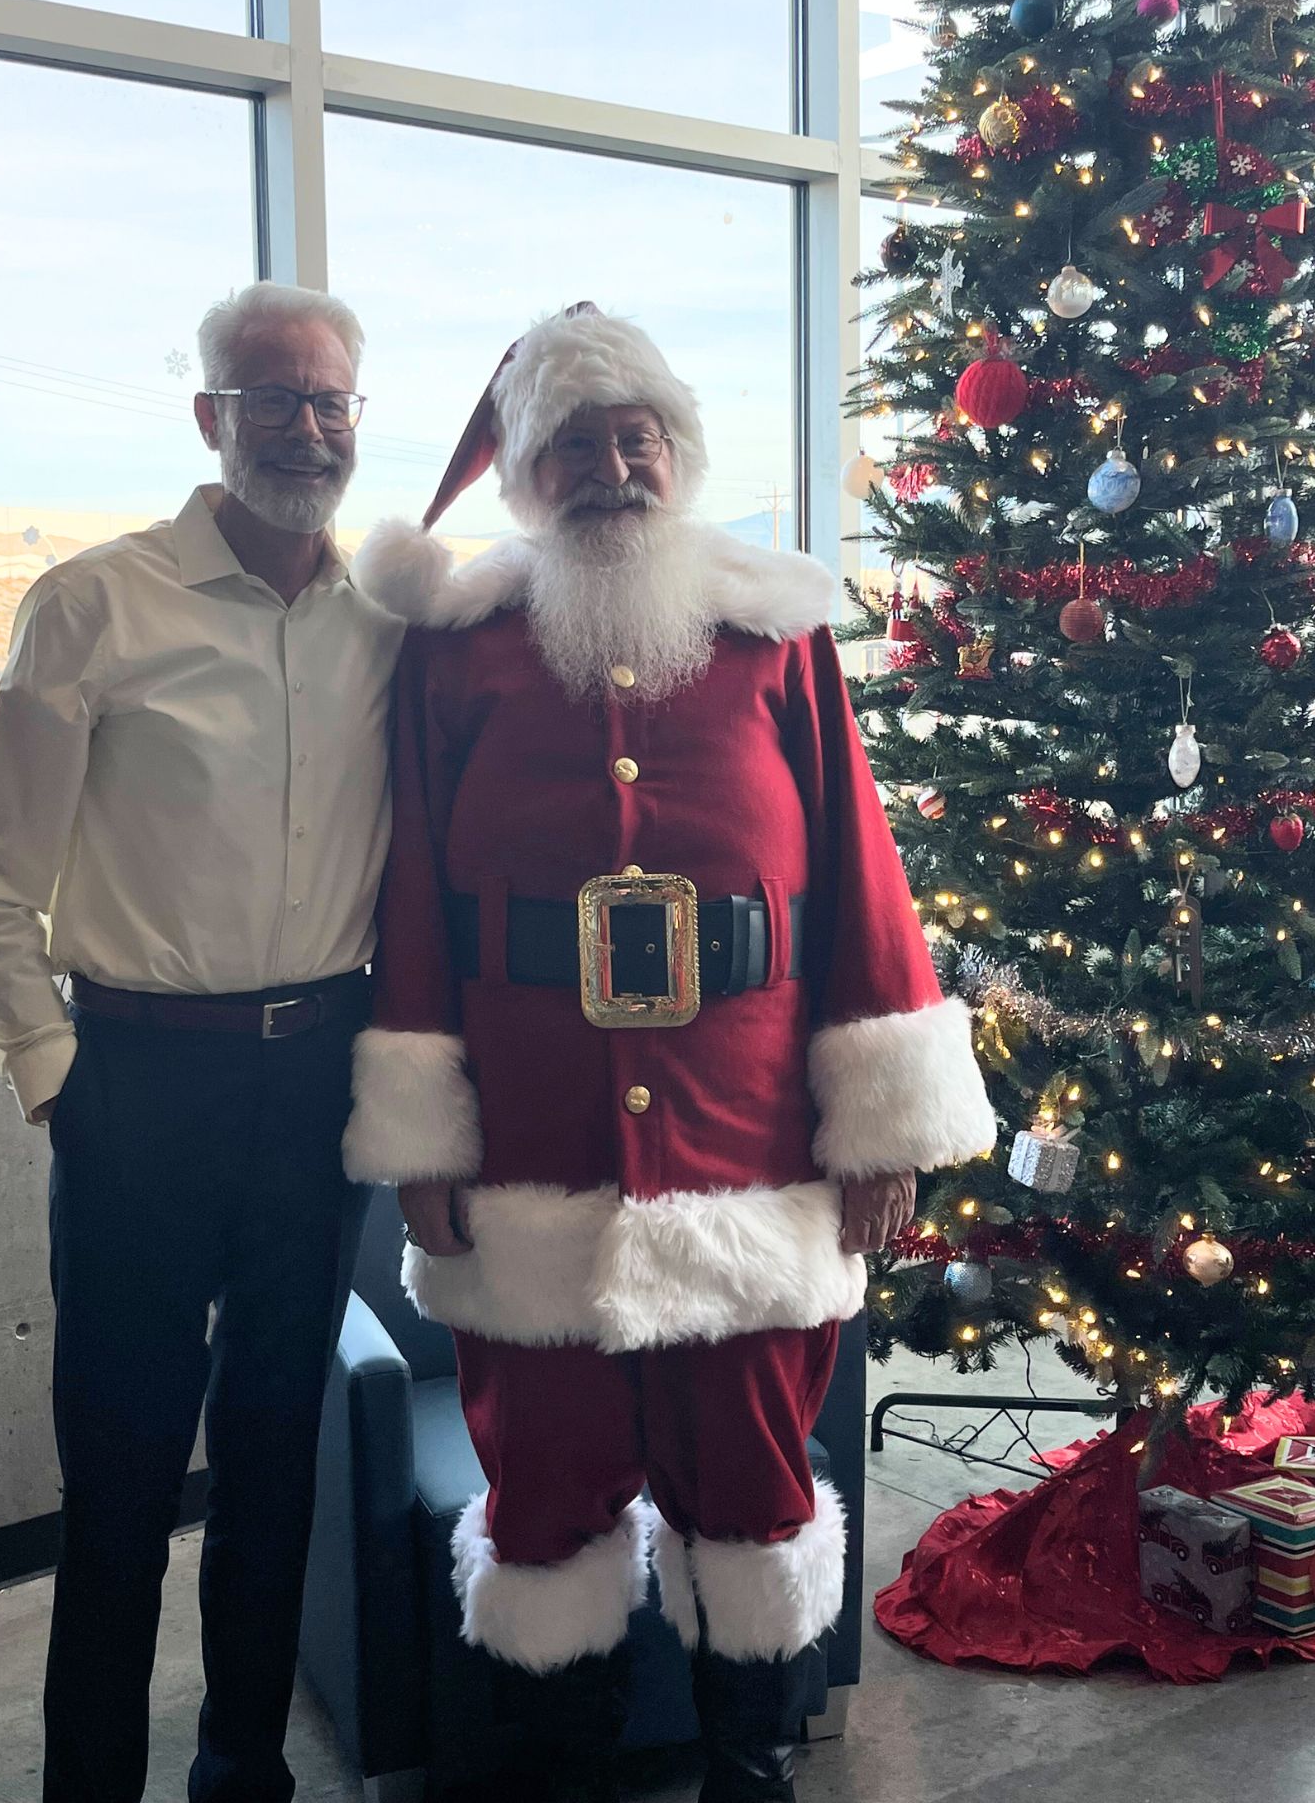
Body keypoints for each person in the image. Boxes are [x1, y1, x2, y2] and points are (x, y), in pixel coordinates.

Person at [346, 304, 996, 1803]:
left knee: (754, 1494)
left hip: (750, 1145)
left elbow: (860, 878)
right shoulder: (458, 651)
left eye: (638, 436)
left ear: (678, 454)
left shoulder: (776, 632)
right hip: (530, 1149)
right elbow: (415, 910)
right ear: (526, 471)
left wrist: (878, 1124)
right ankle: (551, 1778)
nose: (613, 465)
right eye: (575, 442)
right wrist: (422, 1153)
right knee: (544, 1501)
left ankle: (751, 1776)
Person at [0, 281, 403, 1803]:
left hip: (318, 1081)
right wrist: (54, 1078)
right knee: (124, 1482)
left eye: (330, 397)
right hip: (134, 1086)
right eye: (271, 397)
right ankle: (91, 1782)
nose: (307, 426)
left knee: (278, 1460)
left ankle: (240, 1763)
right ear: (211, 418)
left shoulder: (390, 615)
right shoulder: (95, 603)